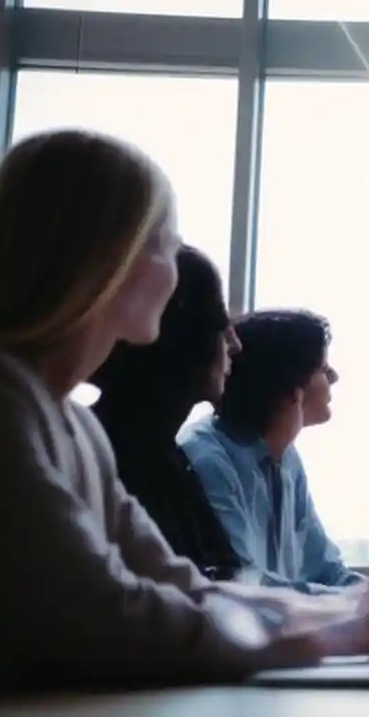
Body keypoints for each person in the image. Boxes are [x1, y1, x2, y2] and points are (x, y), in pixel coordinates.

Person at [0, 130, 369, 690]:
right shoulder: (9, 412)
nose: (176, 267)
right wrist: (336, 632)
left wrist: (349, 610)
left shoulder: (72, 425)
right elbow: (107, 616)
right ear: (107, 259)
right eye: (164, 243)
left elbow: (186, 586)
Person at [181, 310, 362, 594]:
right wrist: (362, 599)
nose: (334, 377)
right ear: (292, 389)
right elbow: (242, 583)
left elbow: (326, 569)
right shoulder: (206, 459)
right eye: (323, 368)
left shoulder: (288, 459)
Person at [91, 246, 243, 580]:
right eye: (220, 322)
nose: (234, 343)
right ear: (182, 334)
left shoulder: (158, 451)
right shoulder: (116, 453)